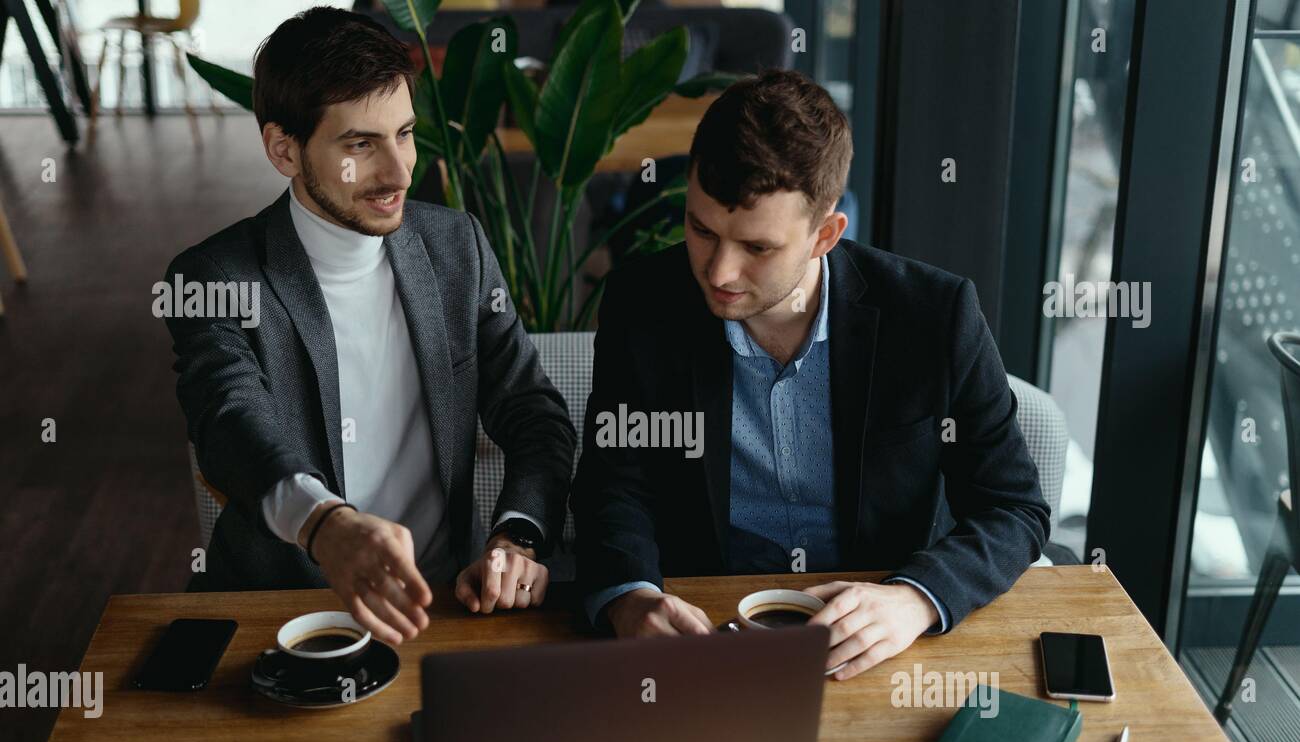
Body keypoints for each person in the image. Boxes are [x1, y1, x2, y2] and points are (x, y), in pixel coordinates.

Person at [573, 70, 1050, 679]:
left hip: (885, 645)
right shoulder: (642, 304)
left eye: (758, 247)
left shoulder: (934, 315)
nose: (719, 271)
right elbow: (615, 486)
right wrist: (630, 598)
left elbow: (1012, 507)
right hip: (703, 634)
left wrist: (915, 599)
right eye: (701, 230)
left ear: (825, 234)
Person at [162, 8, 574, 645]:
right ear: (283, 149)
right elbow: (230, 425)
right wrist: (327, 527)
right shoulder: (211, 279)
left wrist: (517, 537)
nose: (400, 172)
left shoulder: (457, 247)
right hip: (279, 620)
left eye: (405, 134)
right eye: (361, 145)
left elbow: (532, 411)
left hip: (441, 611)